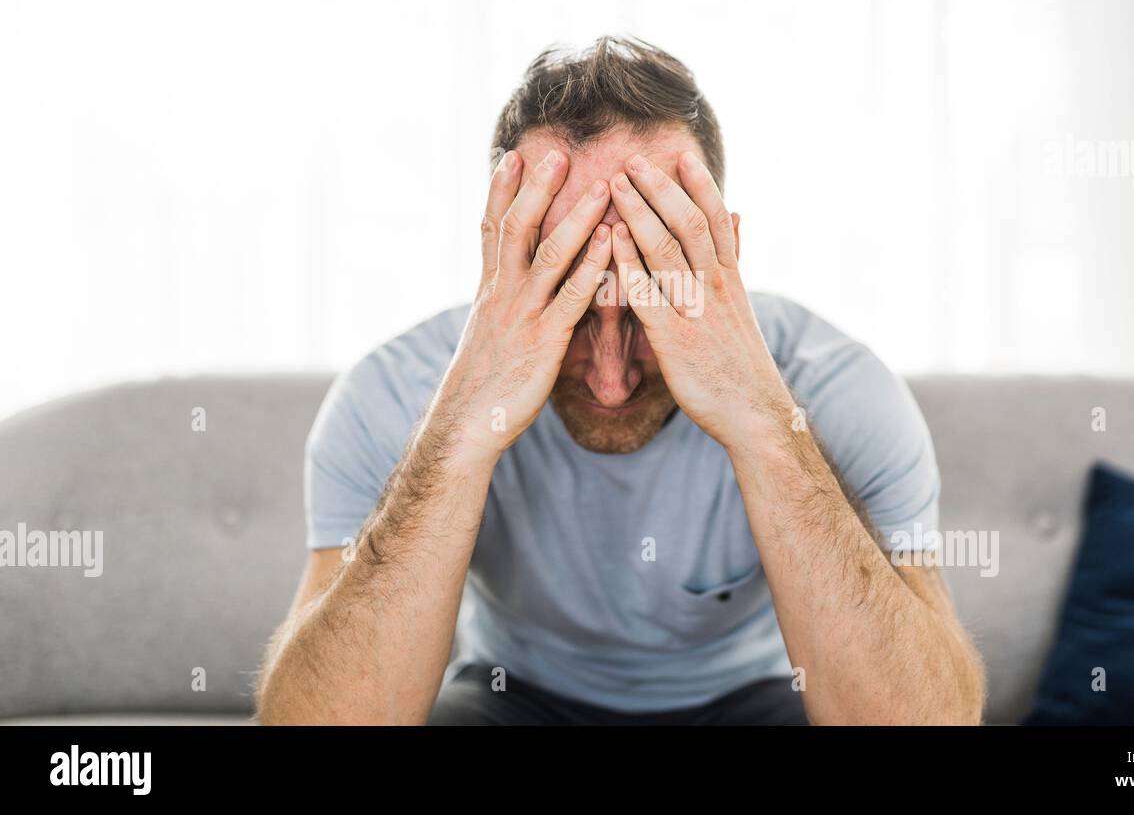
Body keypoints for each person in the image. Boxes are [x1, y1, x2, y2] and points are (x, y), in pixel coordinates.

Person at [255, 37, 986, 725]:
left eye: (648, 304)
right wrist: (463, 425)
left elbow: (927, 721)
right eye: (569, 305)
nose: (610, 383)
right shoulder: (393, 394)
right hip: (515, 697)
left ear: (718, 258)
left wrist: (762, 421)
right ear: (503, 263)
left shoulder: (839, 389)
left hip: (752, 697)